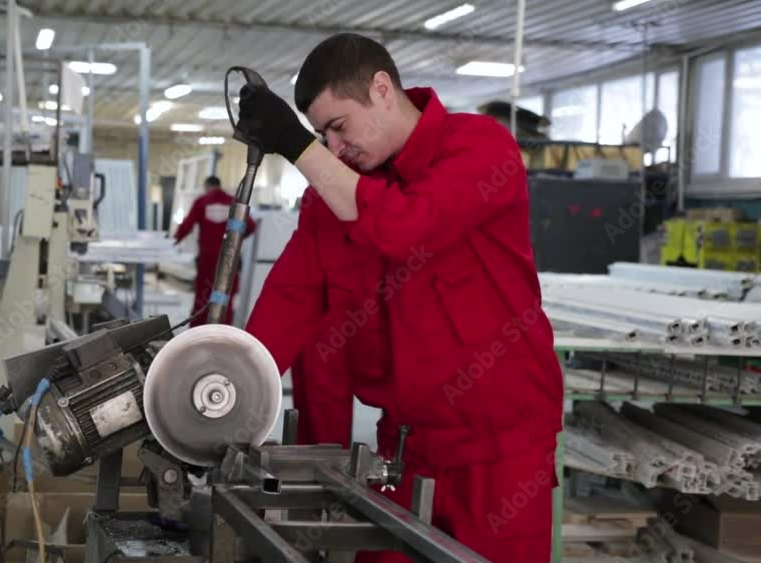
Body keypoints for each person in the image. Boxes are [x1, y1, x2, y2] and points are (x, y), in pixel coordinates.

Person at [240, 33, 564, 562]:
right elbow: (291, 305)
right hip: (404, 451)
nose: (335, 150)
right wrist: (223, 388)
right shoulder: (332, 202)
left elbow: (405, 227)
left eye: (338, 128)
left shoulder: (480, 148)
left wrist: (296, 147)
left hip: (501, 453)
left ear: (382, 88)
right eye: (322, 138)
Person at [173, 175, 256, 326]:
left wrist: (175, 239)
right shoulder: (233, 202)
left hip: (207, 259)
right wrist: (236, 241)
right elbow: (250, 225)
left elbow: (187, 225)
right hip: (229, 257)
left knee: (203, 295)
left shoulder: (202, 202)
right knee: (224, 294)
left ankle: (199, 328)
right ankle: (222, 328)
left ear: (207, 186)